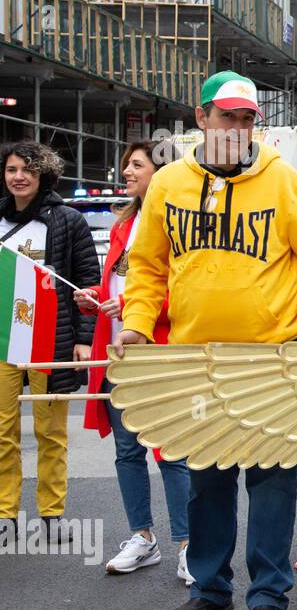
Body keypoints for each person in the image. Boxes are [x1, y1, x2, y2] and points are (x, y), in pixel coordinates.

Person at [116, 69, 297, 610]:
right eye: (228, 116)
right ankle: (210, 589)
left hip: (273, 359)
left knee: (271, 481)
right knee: (207, 478)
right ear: (202, 119)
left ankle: (268, 595)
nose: (238, 127)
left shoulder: (284, 182)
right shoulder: (168, 184)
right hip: (199, 360)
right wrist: (139, 326)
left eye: (247, 119)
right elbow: (146, 267)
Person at [76, 140, 192, 581]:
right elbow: (118, 285)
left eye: (136, 165)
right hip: (118, 351)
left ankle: (187, 543)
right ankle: (142, 537)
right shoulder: (123, 226)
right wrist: (95, 301)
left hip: (160, 353)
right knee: (127, 451)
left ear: (160, 173)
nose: (126, 172)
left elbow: (184, 290)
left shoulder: (179, 223)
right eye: (126, 165)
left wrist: (131, 308)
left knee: (171, 453)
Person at [0, 141, 100, 547]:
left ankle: (52, 511)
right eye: (11, 169)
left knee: (50, 430)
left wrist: (83, 339)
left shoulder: (67, 220)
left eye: (27, 169)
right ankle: (5, 512)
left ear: (43, 174)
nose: (18, 176)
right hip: (3, 339)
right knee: (2, 431)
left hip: (50, 340)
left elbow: (87, 282)